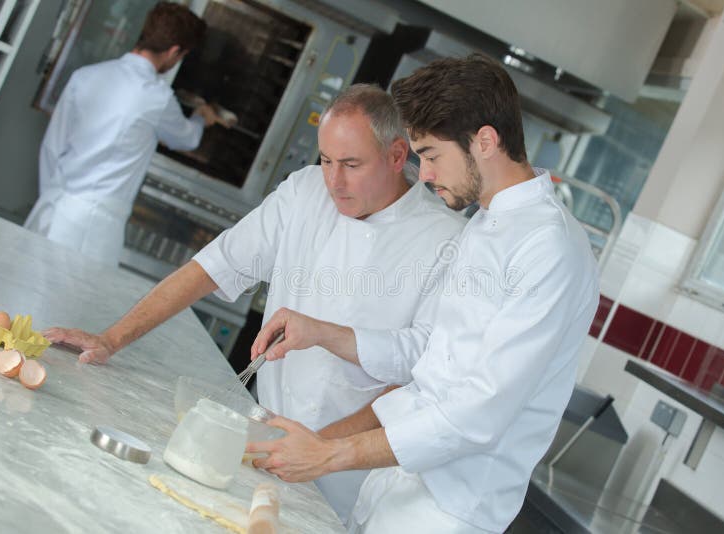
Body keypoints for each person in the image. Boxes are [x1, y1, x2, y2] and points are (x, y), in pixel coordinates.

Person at [44, 83, 465, 522]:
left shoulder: (445, 242)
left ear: (397, 155)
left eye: (351, 164)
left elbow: (418, 381)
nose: (334, 181)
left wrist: (320, 448)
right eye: (326, 160)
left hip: (342, 478)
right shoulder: (304, 192)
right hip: (259, 446)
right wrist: (111, 340)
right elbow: (213, 266)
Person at [246, 54, 600, 534]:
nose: (425, 175)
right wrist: (323, 333)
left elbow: (480, 413)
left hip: (450, 507)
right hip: (396, 483)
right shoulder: (486, 223)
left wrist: (330, 454)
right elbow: (429, 355)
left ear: (485, 141)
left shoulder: (549, 247)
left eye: (432, 155)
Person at [24, 2, 225, 266]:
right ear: (174, 51)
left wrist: (54, 197)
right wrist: (201, 117)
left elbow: (52, 148)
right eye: (181, 56)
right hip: (93, 227)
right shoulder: (157, 97)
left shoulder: (85, 76)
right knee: (73, 291)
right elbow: (187, 139)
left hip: (52, 209)